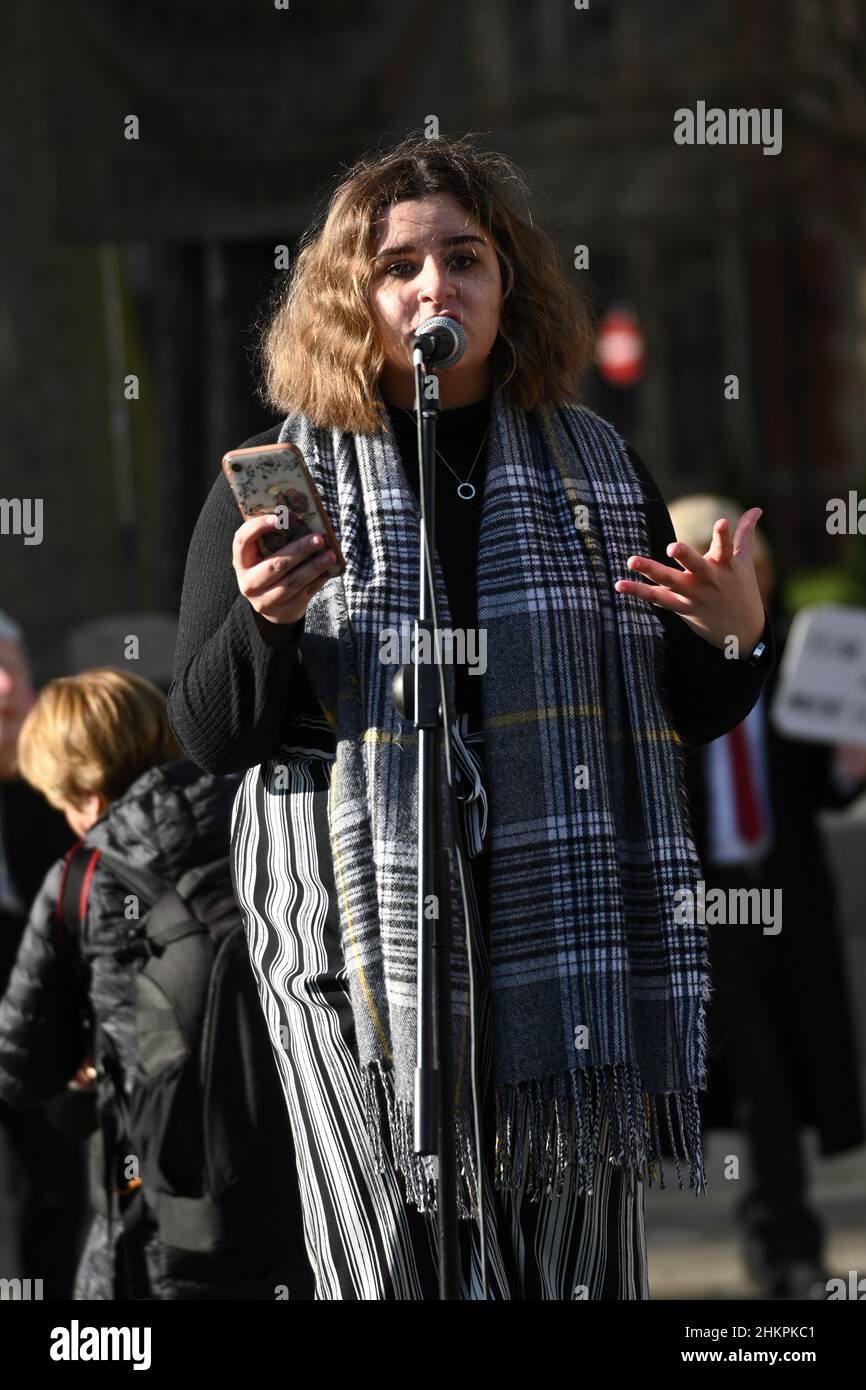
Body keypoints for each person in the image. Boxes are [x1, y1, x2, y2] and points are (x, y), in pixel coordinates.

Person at [168, 131, 776, 1300]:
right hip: (352, 951)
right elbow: (212, 735)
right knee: (393, 1266)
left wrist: (735, 631)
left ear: (509, 284)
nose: (433, 286)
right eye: (399, 267)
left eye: (464, 258)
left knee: (560, 1269)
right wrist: (264, 620)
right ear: (355, 297)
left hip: (555, 943)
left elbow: (684, 709)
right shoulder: (277, 472)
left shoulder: (591, 468)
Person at [0, 667, 311, 1299]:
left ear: (84, 794)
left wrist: (86, 1060)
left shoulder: (81, 878)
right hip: (308, 1188)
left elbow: (18, 1067)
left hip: (167, 1215)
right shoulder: (262, 811)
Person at [669, 494, 866, 1301]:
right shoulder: (658, 676)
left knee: (786, 1063)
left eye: (742, 559)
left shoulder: (794, 665)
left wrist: (850, 764)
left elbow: (817, 786)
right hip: (703, 908)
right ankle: (779, 1243)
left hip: (785, 897)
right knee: (759, 1077)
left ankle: (782, 1243)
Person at [0, 609, 86, 1299]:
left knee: (54, 1184)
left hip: (43, 1019)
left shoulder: (63, 792)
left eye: (15, 672)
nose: (3, 688)